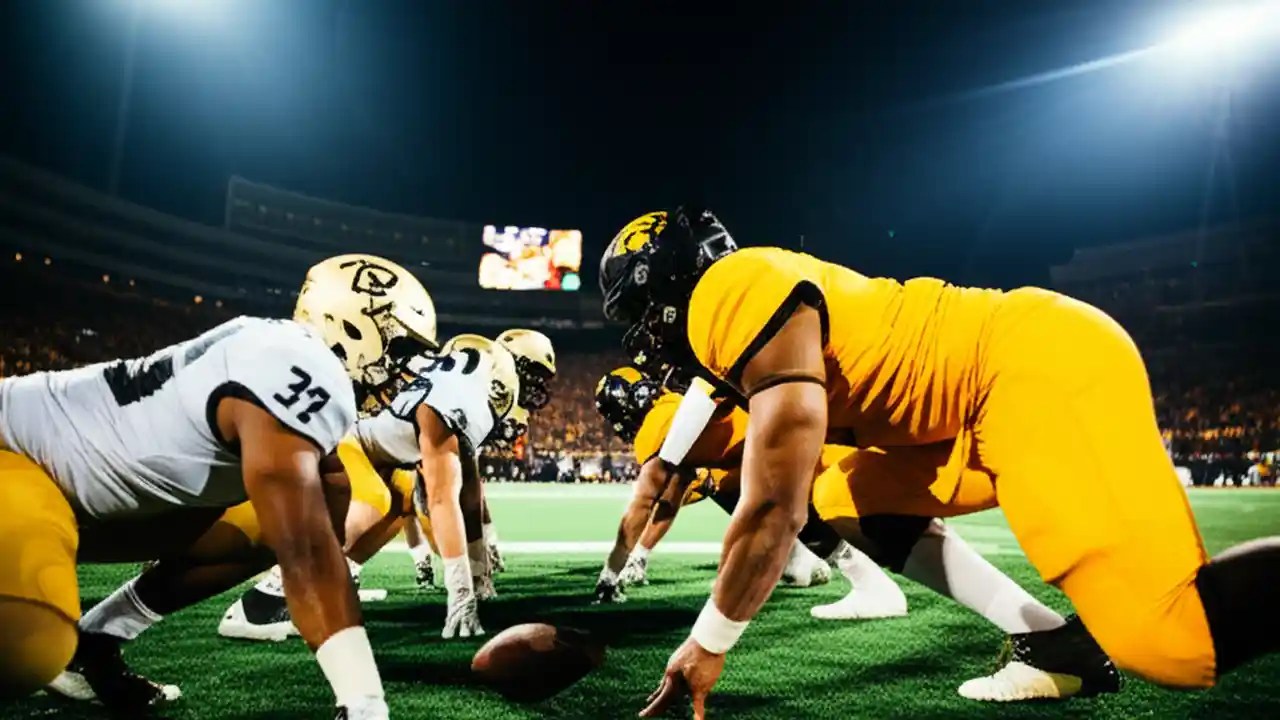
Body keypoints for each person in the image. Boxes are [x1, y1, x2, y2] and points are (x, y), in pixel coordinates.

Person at [600, 208, 1280, 718]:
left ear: (668, 288)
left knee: (1173, 641)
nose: (649, 345)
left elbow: (775, 505)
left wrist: (709, 640)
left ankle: (1095, 642)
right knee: (846, 496)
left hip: (1026, 368)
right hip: (967, 416)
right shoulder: (739, 333)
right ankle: (1053, 644)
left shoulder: (729, 289)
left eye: (642, 320)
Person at [0, 254, 438, 719]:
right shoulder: (301, 364)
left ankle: (95, 643)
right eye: (401, 351)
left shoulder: (283, 358)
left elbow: (324, 509)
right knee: (29, 640)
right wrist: (365, 702)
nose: (405, 370)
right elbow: (306, 553)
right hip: (15, 466)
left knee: (265, 527)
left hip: (68, 492)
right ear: (353, 327)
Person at [596, 365, 1119, 701]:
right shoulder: (705, 387)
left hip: (880, 434)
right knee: (805, 499)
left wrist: (616, 567)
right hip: (887, 423)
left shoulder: (672, 412)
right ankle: (883, 589)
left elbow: (649, 498)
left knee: (847, 504)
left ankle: (1054, 637)